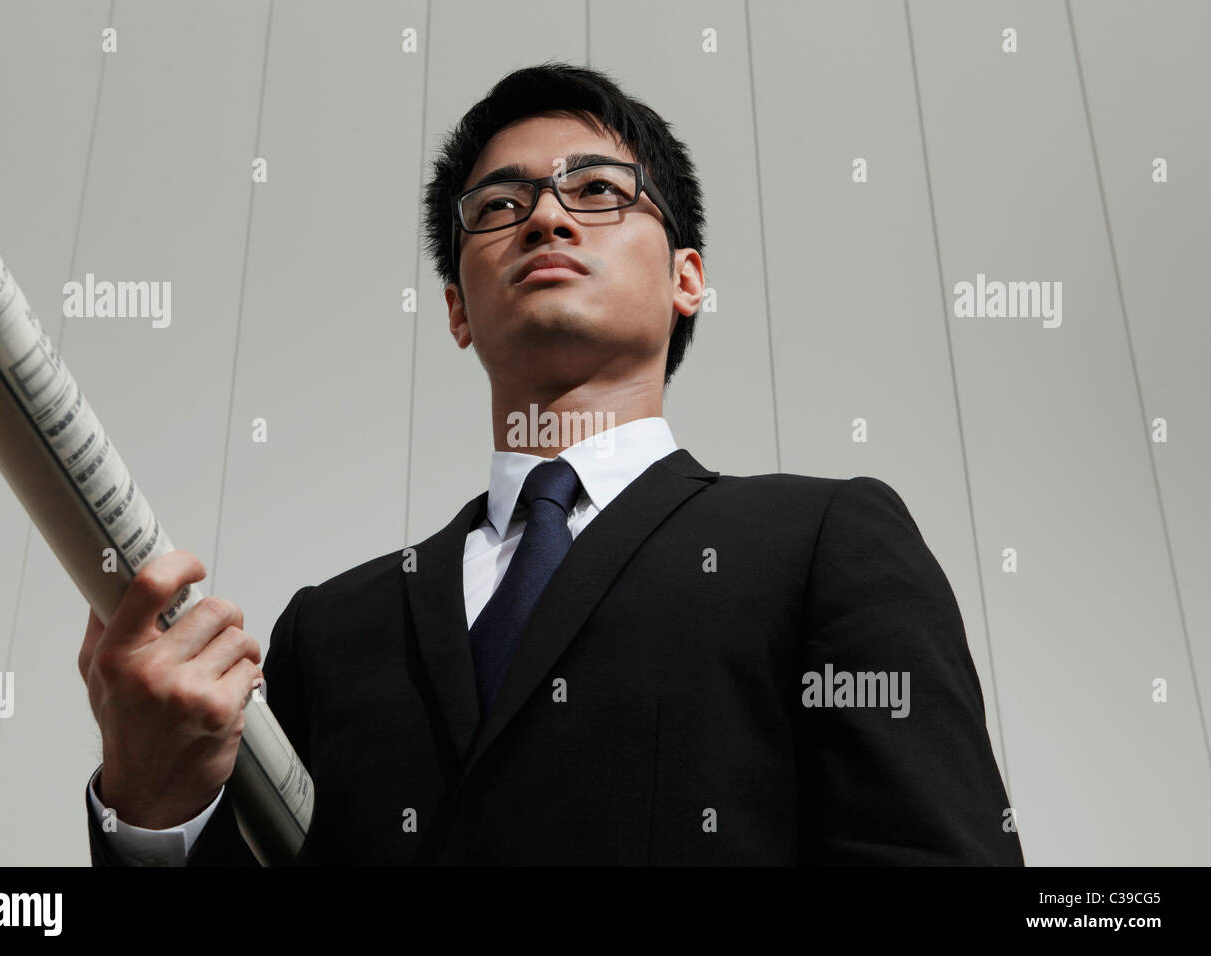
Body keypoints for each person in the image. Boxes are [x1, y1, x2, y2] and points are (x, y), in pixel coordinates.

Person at [80, 61, 1023, 866]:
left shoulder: (824, 544)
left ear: (687, 279)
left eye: (600, 192)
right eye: (499, 204)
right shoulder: (331, 632)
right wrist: (152, 808)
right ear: (456, 308)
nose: (545, 219)